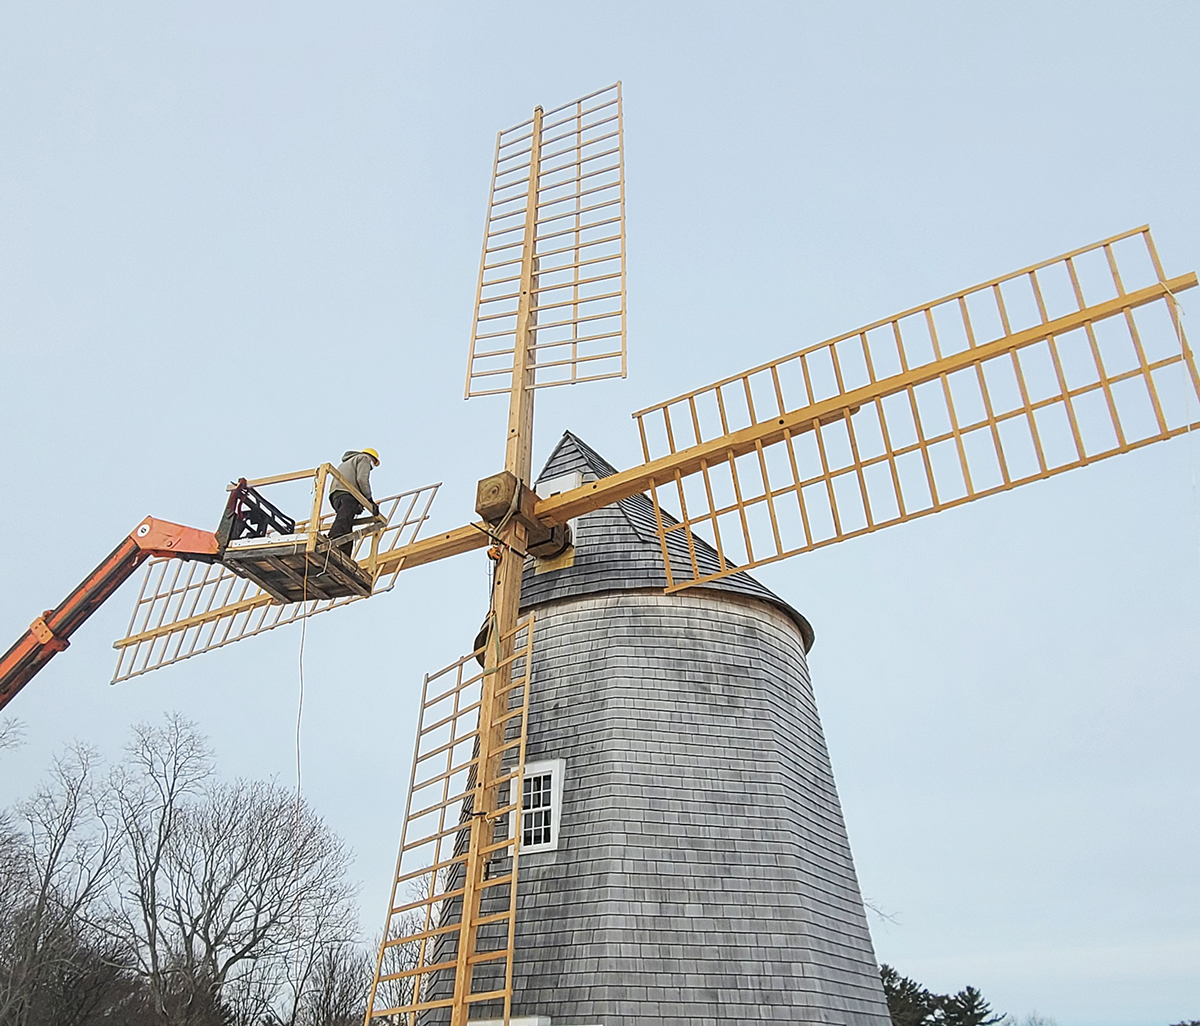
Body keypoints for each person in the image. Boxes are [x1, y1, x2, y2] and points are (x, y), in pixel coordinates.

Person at [328, 448, 380, 556]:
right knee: (343, 521)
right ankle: (332, 539)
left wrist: (359, 504)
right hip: (347, 493)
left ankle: (344, 553)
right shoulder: (364, 459)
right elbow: (362, 479)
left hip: (335, 495)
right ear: (372, 459)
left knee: (347, 524)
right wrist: (369, 500)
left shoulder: (347, 462)